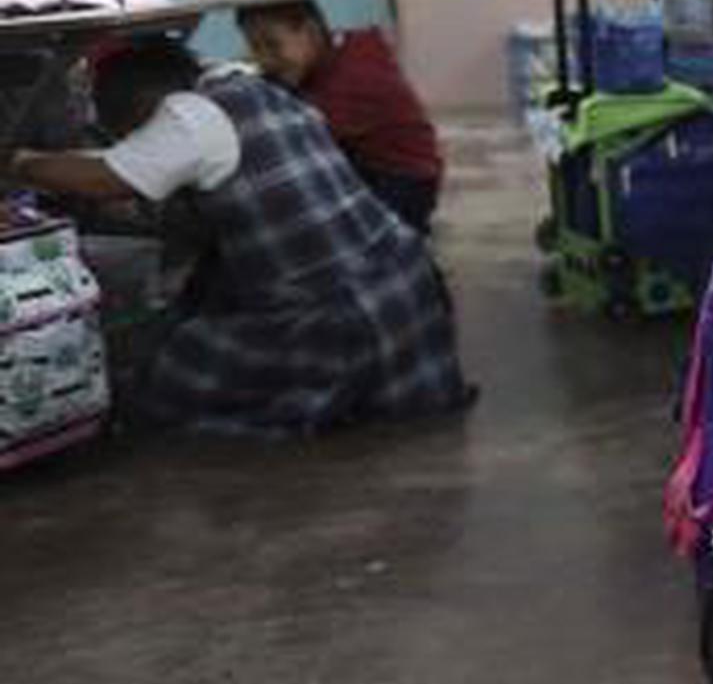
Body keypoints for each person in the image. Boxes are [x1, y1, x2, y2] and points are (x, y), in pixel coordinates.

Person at [5, 37, 470, 436]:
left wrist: (19, 162)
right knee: (209, 308)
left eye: (128, 134)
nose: (133, 144)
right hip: (409, 293)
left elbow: (105, 178)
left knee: (163, 374)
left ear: (142, 110)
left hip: (342, 320)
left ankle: (327, 398)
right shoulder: (252, 88)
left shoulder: (186, 117)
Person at [235, 0, 444, 234]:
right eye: (255, 48)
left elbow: (294, 132)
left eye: (272, 45)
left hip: (403, 183)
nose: (264, 60)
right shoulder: (340, 50)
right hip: (390, 167)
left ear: (310, 31)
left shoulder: (352, 81)